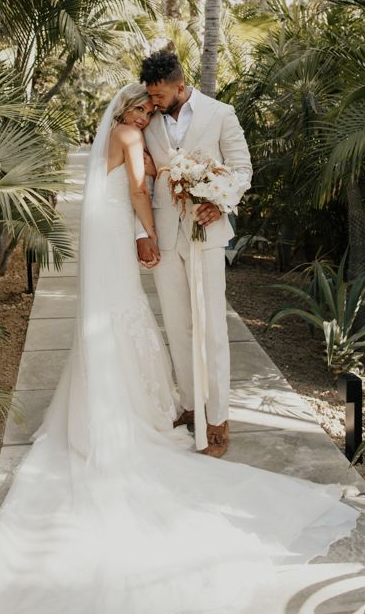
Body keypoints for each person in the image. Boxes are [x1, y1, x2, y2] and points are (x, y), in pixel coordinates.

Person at [0, 83, 358, 614]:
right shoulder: (128, 134)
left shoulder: (129, 133)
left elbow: (201, 172)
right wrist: (147, 234)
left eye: (152, 106)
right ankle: (134, 408)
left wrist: (193, 202)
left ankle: (150, 403)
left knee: (116, 318)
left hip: (114, 231)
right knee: (124, 316)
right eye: (142, 107)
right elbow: (141, 193)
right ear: (124, 109)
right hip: (125, 229)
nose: (148, 114)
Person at [136, 49, 251, 457]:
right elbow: (140, 182)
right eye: (150, 96)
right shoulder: (146, 118)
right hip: (164, 234)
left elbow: (241, 169)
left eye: (161, 96)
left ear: (181, 86)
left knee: (211, 328)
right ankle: (189, 404)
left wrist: (220, 202)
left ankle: (218, 419)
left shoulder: (221, 113)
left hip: (207, 232)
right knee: (178, 324)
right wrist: (141, 233)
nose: (154, 103)